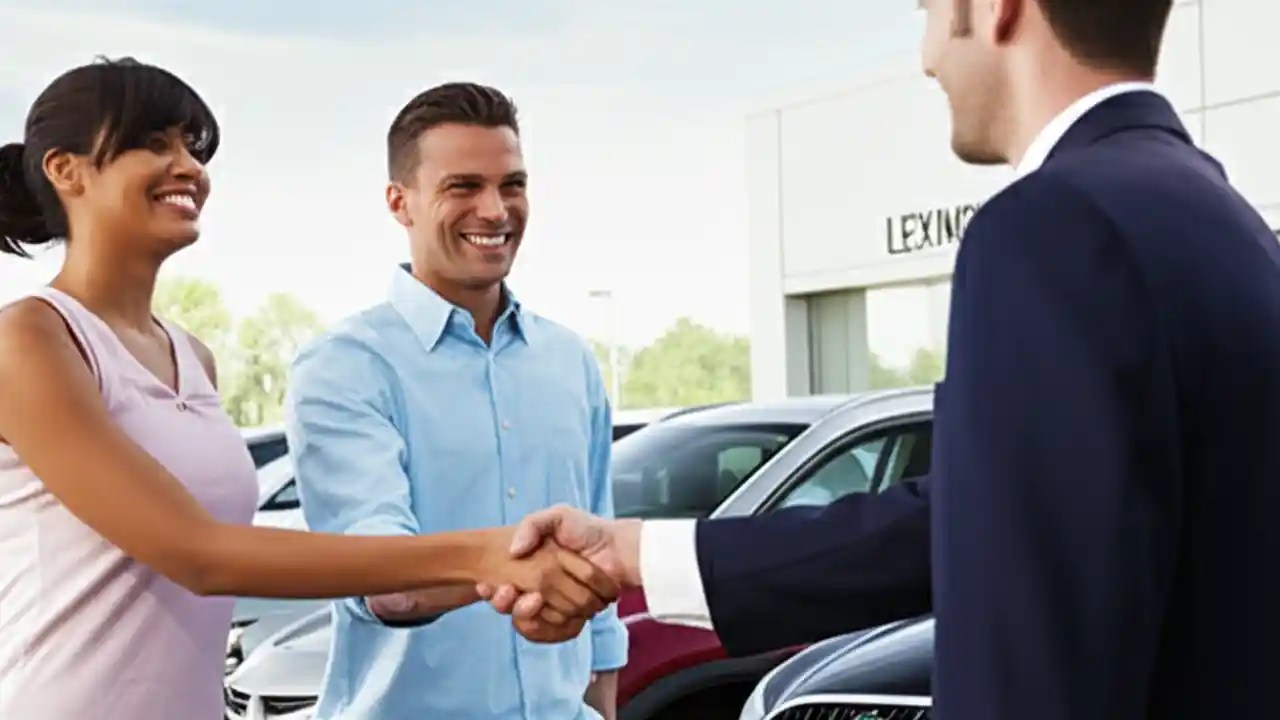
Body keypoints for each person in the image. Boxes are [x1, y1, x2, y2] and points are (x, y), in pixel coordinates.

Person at [482, 0, 1280, 717]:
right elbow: (975, 515)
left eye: (928, 10)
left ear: (995, 9)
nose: (928, 54)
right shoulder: (1226, 223)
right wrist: (634, 553)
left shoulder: (1048, 228)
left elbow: (1036, 653)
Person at [0, 58, 616, 720]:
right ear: (66, 171)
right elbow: (199, 554)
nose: (190, 167)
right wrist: (495, 554)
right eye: (154, 144)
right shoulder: (28, 339)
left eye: (193, 146)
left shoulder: (192, 357)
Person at [283, 82, 627, 720]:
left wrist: (602, 705)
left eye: (512, 184)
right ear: (400, 202)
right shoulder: (347, 366)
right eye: (463, 186)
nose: (495, 210)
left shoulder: (570, 360)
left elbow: (597, 562)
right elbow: (379, 579)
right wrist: (518, 568)